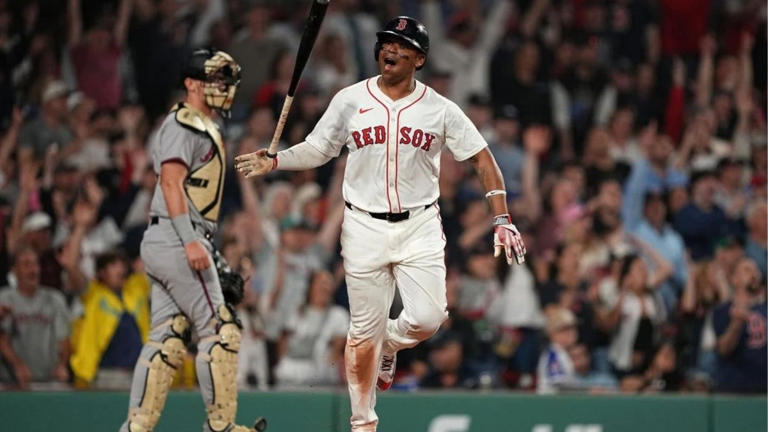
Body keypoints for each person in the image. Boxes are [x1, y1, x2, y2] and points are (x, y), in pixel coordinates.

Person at [235, 16, 526, 432]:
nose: (390, 49)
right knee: (361, 333)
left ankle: (390, 342)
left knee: (428, 318)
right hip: (363, 226)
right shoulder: (350, 99)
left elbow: (482, 158)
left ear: (419, 59)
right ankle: (363, 423)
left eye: (402, 45)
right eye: (386, 42)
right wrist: (277, 160)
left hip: (419, 224)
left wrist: (502, 217)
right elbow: (320, 148)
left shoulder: (440, 109)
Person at [118, 49, 265, 432]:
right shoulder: (184, 123)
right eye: (215, 79)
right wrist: (190, 241)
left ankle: (136, 427)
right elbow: (171, 182)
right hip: (177, 235)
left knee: (167, 338)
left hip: (171, 237)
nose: (223, 87)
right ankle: (221, 426)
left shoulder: (200, 124)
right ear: (191, 83)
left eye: (226, 80)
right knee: (221, 329)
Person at [0, 246, 71, 389]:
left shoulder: (55, 298)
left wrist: (62, 365)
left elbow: (64, 340)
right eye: (26, 264)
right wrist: (18, 365)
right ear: (14, 270)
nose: (33, 270)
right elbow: (3, 341)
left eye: (36, 264)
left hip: (48, 381)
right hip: (13, 381)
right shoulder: (4, 298)